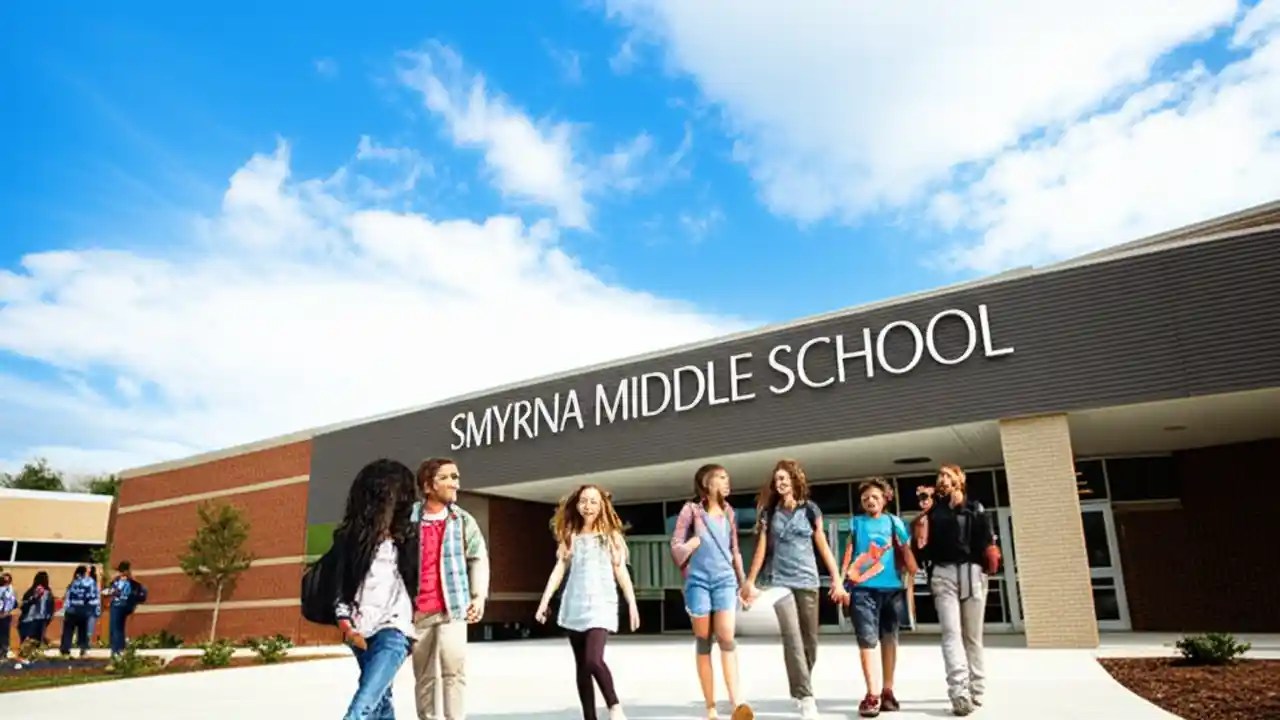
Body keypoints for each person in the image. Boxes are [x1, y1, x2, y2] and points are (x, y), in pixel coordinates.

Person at [741, 459, 847, 720]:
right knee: (793, 639)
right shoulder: (769, 513)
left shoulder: (811, 510)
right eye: (777, 479)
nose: (781, 483)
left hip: (808, 581)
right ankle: (807, 696)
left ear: (795, 480)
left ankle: (800, 687)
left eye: (785, 478)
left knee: (810, 642)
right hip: (781, 583)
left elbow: (823, 546)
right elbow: (762, 549)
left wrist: (836, 578)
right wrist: (750, 581)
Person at [535, 484, 641, 720]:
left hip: (601, 604)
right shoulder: (570, 535)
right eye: (584, 501)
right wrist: (544, 601)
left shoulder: (610, 536)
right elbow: (559, 570)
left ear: (602, 505)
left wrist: (632, 603)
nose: (588, 506)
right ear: (577, 504)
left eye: (593, 501)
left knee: (594, 660)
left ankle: (614, 706)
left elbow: (621, 572)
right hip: (575, 603)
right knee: (582, 667)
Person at [332, 458, 423, 720]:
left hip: (395, 631)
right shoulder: (349, 540)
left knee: (363, 705)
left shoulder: (408, 540)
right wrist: (347, 628)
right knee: (382, 700)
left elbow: (421, 582)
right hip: (359, 631)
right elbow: (339, 589)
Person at [670, 463, 754, 720]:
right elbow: (675, 547)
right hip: (698, 582)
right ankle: (710, 705)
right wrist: (690, 546)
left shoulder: (730, 512)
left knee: (727, 636)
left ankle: (736, 701)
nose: (727, 483)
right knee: (704, 638)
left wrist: (744, 583)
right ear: (707, 483)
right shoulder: (691, 510)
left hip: (725, 580)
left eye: (728, 478)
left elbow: (735, 550)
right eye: (721, 478)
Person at [915, 464, 999, 717]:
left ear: (958, 481)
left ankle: (977, 687)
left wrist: (990, 557)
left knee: (972, 636)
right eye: (939, 476)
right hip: (943, 574)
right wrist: (924, 515)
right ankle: (958, 691)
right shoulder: (933, 512)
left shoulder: (975, 509)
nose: (942, 479)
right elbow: (923, 549)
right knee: (951, 633)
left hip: (972, 573)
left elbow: (986, 540)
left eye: (947, 475)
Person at [411, 457, 490, 720]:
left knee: (453, 673)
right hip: (417, 613)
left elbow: (479, 558)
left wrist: (478, 597)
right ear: (427, 486)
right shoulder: (408, 520)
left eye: (455, 477)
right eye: (446, 478)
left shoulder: (463, 520)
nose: (454, 483)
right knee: (424, 678)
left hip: (453, 609)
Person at [842, 478, 915, 718]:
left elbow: (905, 551)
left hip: (891, 589)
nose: (870, 501)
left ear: (885, 499)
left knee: (889, 639)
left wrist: (913, 575)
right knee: (866, 640)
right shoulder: (856, 523)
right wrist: (843, 583)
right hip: (862, 590)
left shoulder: (894, 522)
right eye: (865, 498)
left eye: (874, 497)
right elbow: (849, 553)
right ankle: (872, 694)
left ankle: (887, 690)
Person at [59, 565, 101, 658]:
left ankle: (65, 650)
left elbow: (68, 597)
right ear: (86, 572)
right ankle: (84, 650)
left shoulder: (74, 582)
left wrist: (66, 608)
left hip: (72, 610)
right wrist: (96, 610)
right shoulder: (90, 582)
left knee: (68, 631)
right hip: (84, 610)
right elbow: (93, 596)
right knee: (84, 631)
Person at [103, 561, 140, 657]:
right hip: (119, 605)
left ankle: (117, 649)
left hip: (120, 606)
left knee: (116, 628)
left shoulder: (126, 581)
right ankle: (118, 649)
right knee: (117, 628)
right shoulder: (119, 580)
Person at [18, 571, 53, 648]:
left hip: (29, 620)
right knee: (35, 641)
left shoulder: (30, 591)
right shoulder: (47, 592)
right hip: (38, 620)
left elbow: (23, 606)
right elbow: (50, 608)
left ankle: (26, 655)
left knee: (29, 641)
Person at [1, 572, 16, 658]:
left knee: (4, 634)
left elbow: (10, 603)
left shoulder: (10, 590)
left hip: (5, 615)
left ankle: (4, 651)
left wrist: (5, 612)